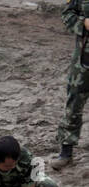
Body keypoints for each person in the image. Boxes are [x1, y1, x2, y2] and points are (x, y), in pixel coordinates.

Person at [51, 0, 89, 169]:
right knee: (73, 104)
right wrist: (83, 24)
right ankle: (66, 153)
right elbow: (67, 14)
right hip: (83, 62)